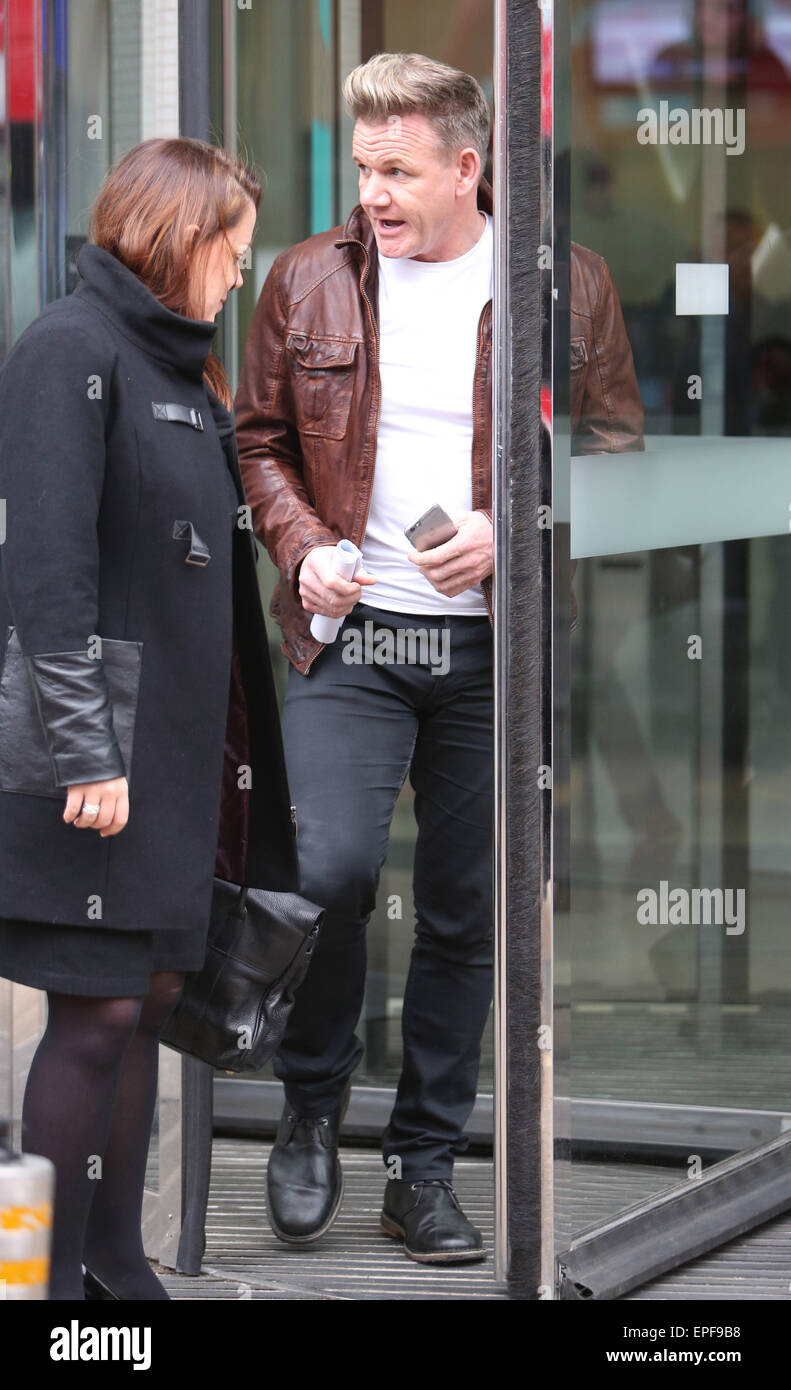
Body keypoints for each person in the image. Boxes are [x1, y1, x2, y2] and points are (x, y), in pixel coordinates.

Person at [0, 137, 298, 1300]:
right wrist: (86, 746)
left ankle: (115, 1269)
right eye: (230, 249)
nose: (238, 273)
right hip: (99, 758)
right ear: (181, 239)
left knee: (143, 1006)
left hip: (177, 759)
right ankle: (34, 1288)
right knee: (91, 1015)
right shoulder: (67, 350)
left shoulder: (179, 369)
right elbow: (48, 574)